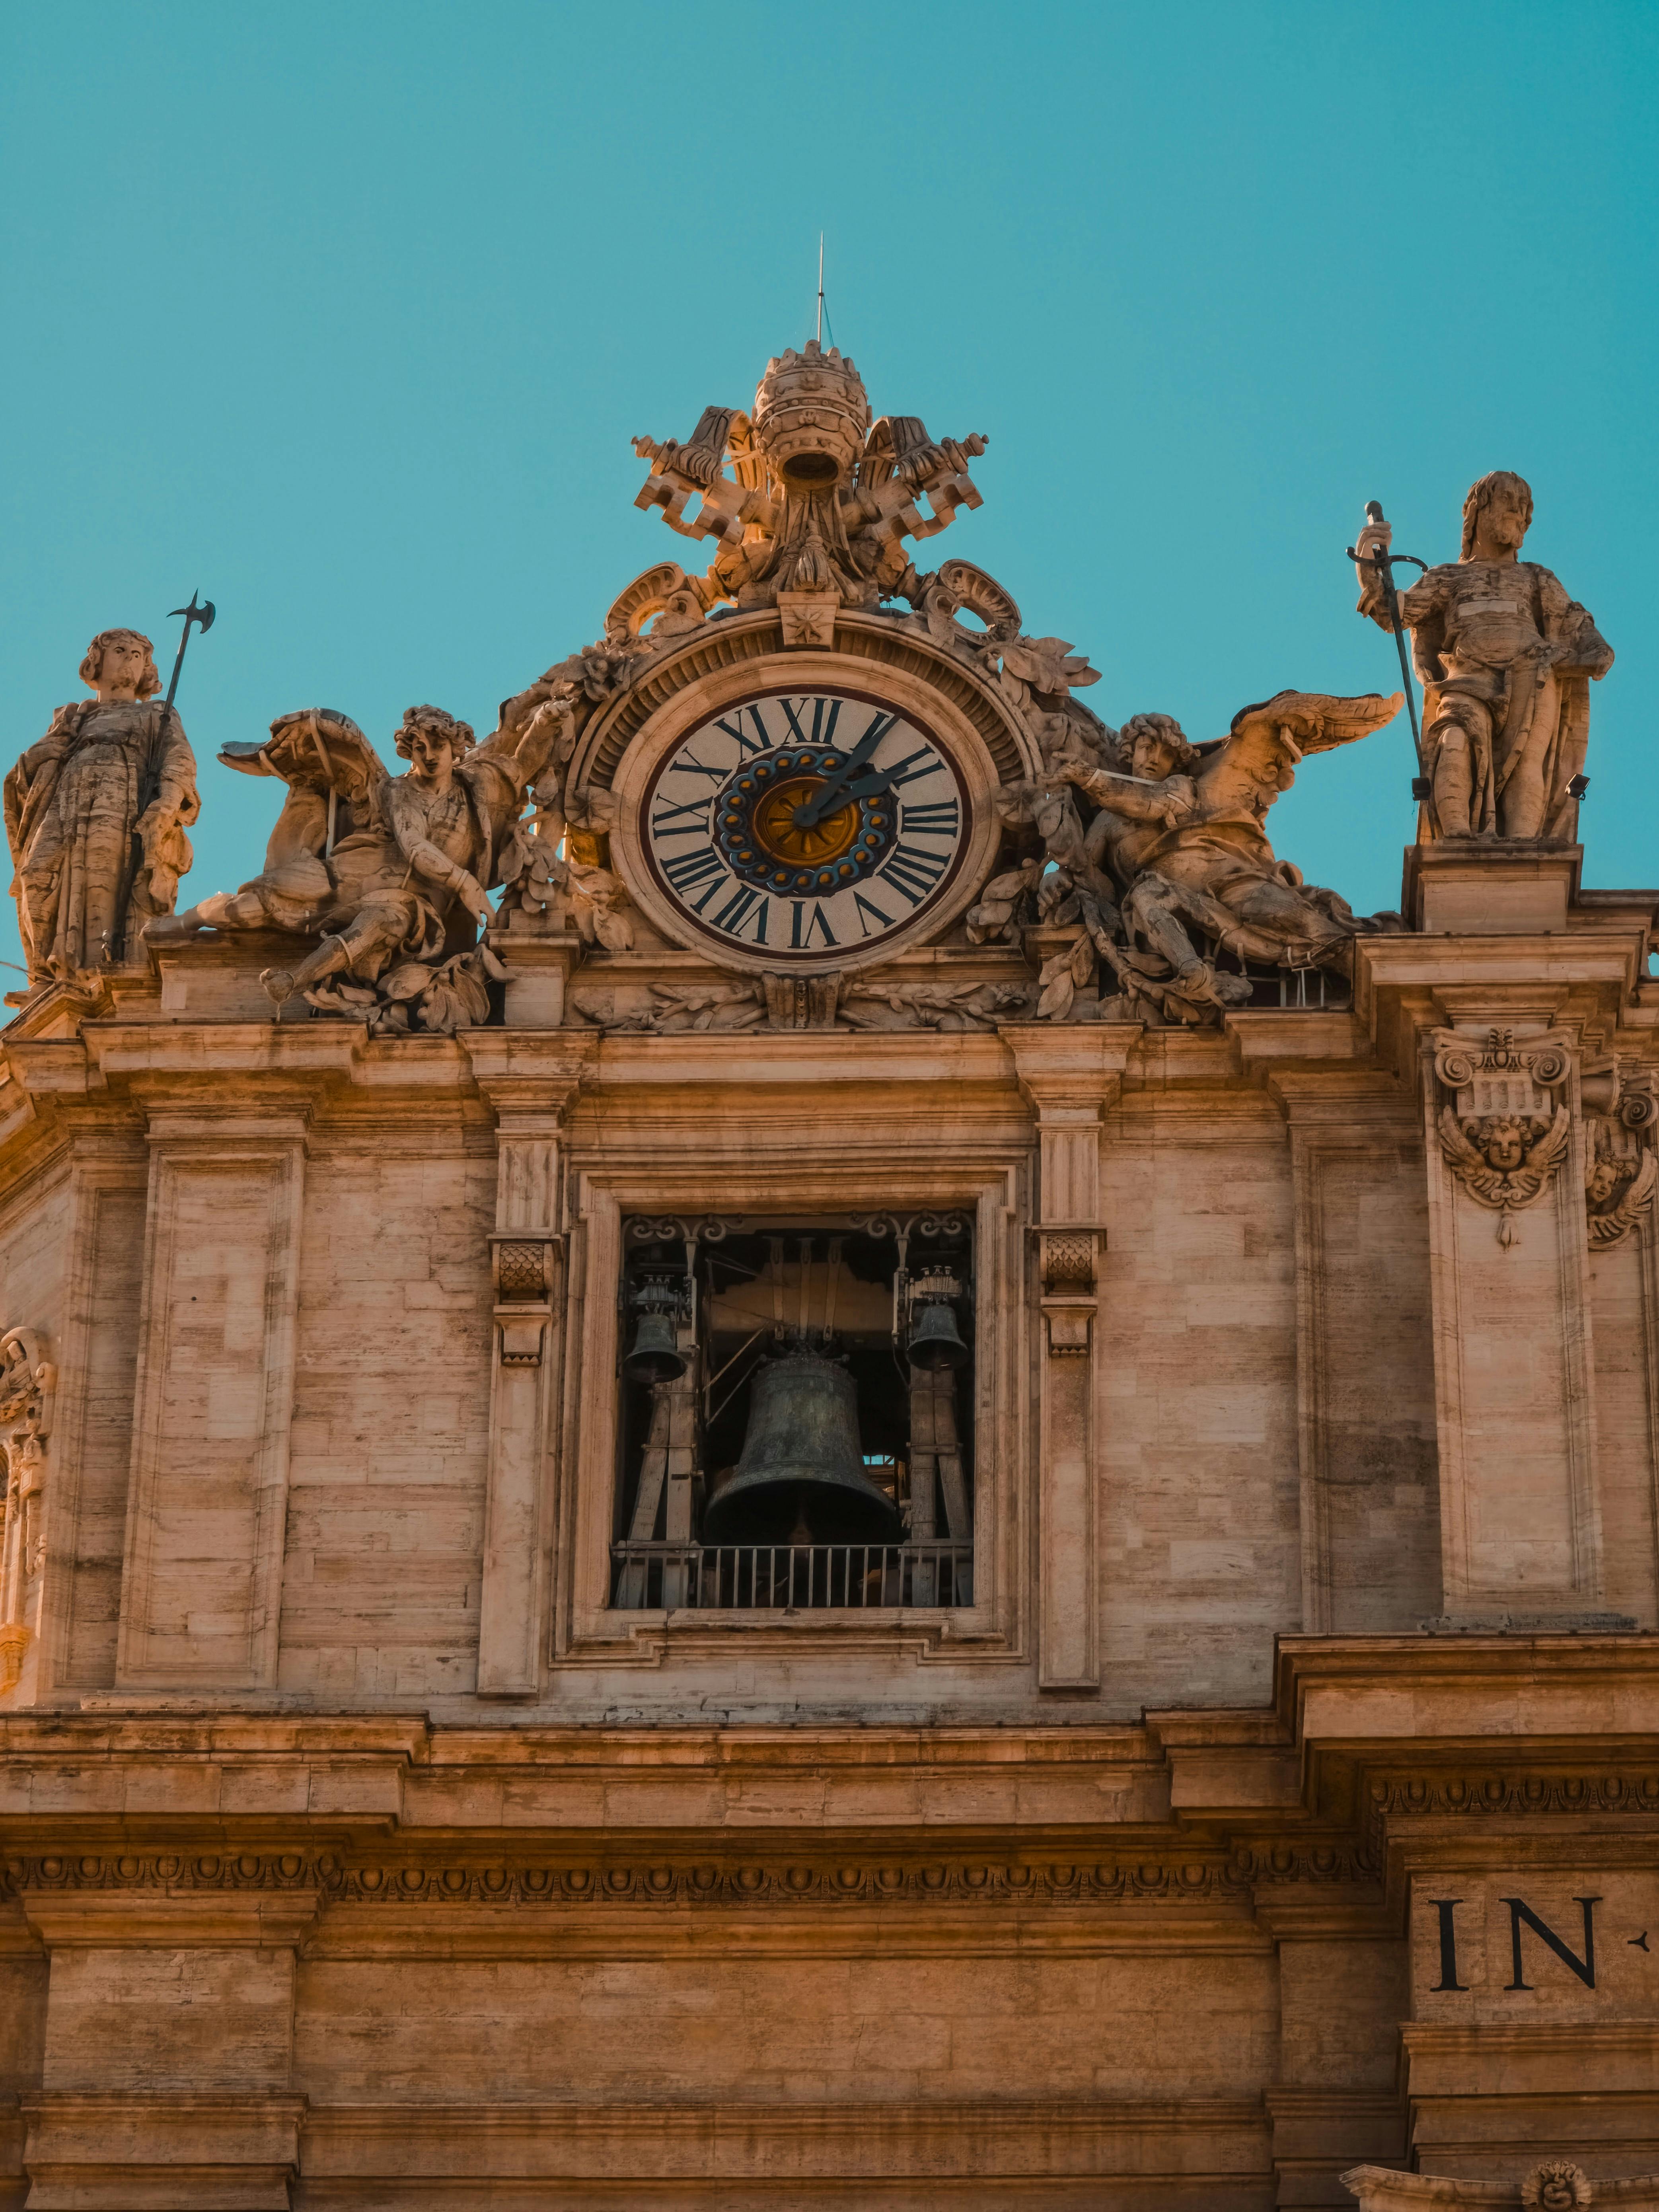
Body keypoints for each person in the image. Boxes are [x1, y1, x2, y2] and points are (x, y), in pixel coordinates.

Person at [1353, 473, 1613, 840]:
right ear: (1479, 510)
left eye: (1524, 507)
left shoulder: (1537, 577)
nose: (1519, 512)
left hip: (1533, 673)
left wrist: (1596, 651)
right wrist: (1368, 563)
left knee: (1526, 765)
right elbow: (1392, 613)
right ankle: (1456, 840)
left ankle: (1522, 856)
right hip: (1466, 676)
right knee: (1453, 741)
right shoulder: (1448, 577)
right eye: (1508, 500)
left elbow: (1576, 623)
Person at [4, 629, 198, 981]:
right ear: (96, 662)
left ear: (147, 670)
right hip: (66, 799)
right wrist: (38, 758)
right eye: (121, 651)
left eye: (139, 655)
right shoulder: (72, 718)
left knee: (104, 876)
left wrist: (166, 804)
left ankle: (100, 971)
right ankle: (49, 974)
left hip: (122, 800)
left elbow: (179, 760)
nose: (130, 659)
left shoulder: (158, 713)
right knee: (36, 874)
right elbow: (26, 774)